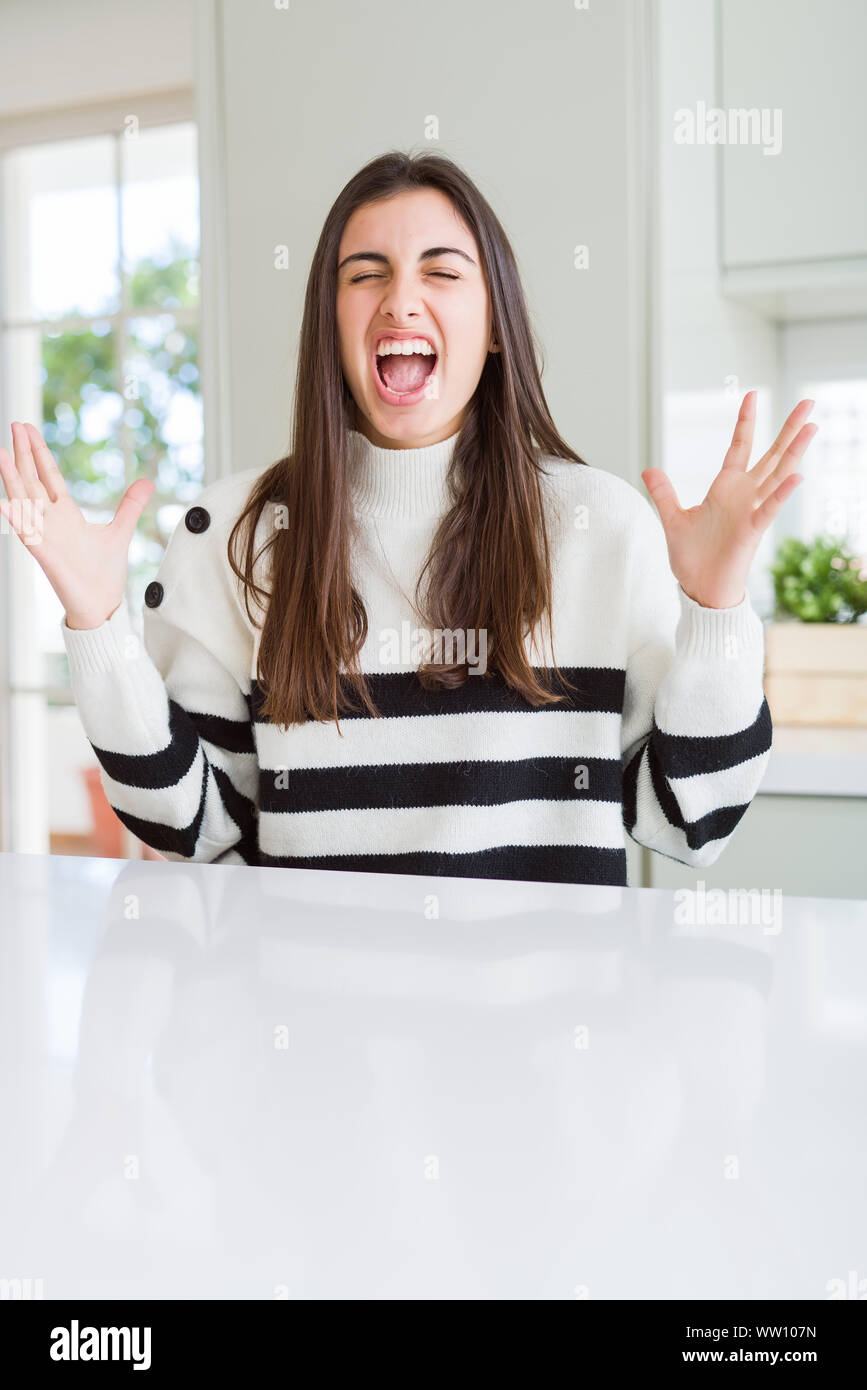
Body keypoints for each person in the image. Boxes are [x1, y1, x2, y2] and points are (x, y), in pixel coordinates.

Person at [0, 150, 816, 882]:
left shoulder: (600, 527)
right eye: (365, 274)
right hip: (311, 1037)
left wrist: (716, 608)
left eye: (442, 272)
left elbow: (688, 823)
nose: (400, 300)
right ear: (332, 323)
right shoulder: (236, 535)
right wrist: (96, 621)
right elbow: (189, 824)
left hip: (544, 1047)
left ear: (495, 328)